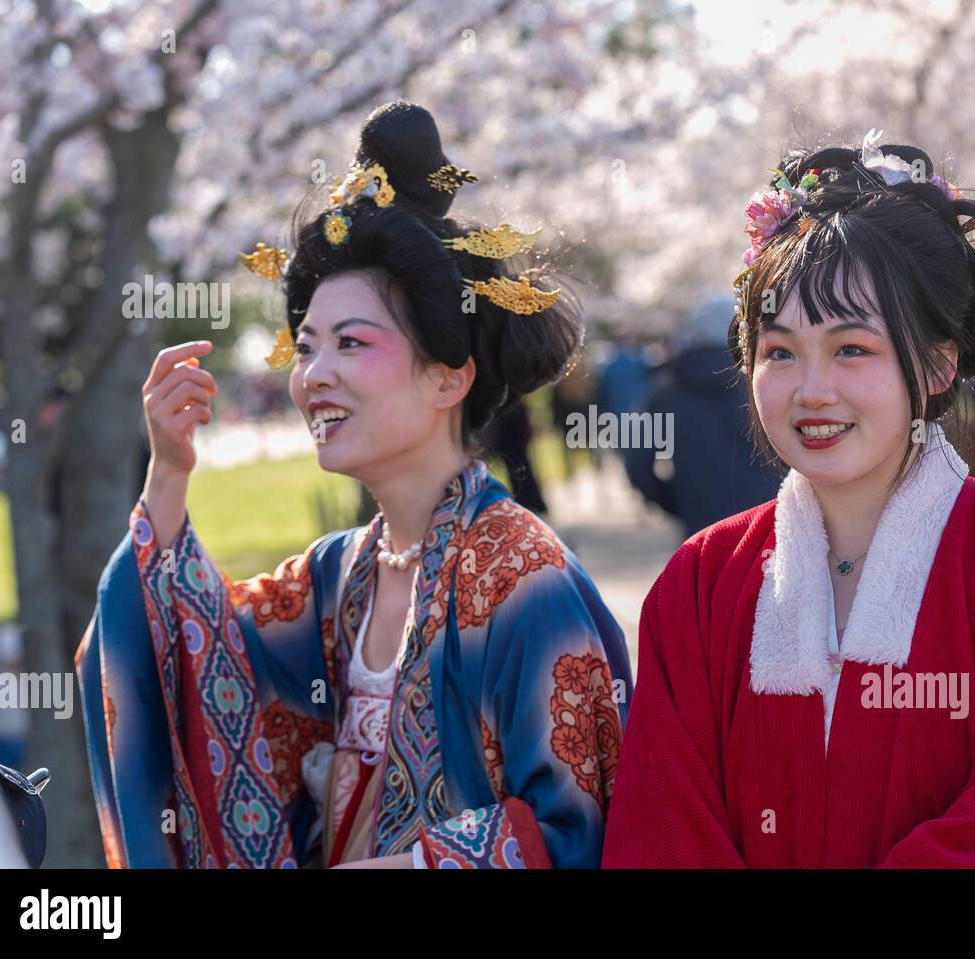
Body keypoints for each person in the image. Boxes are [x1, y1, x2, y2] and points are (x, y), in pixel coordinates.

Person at [76, 101, 631, 869]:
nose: (314, 375)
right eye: (306, 346)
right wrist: (169, 475)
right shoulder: (340, 575)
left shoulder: (522, 576)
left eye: (350, 342)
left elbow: (580, 825)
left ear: (448, 376)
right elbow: (185, 654)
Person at [602, 131, 975, 868]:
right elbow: (660, 831)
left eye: (851, 349)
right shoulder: (699, 586)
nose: (812, 390)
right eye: (779, 352)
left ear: (935, 364)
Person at [623, 295, 779, 536]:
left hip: (701, 525)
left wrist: (676, 500)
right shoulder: (766, 383)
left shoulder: (661, 393)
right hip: (770, 521)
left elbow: (636, 461)